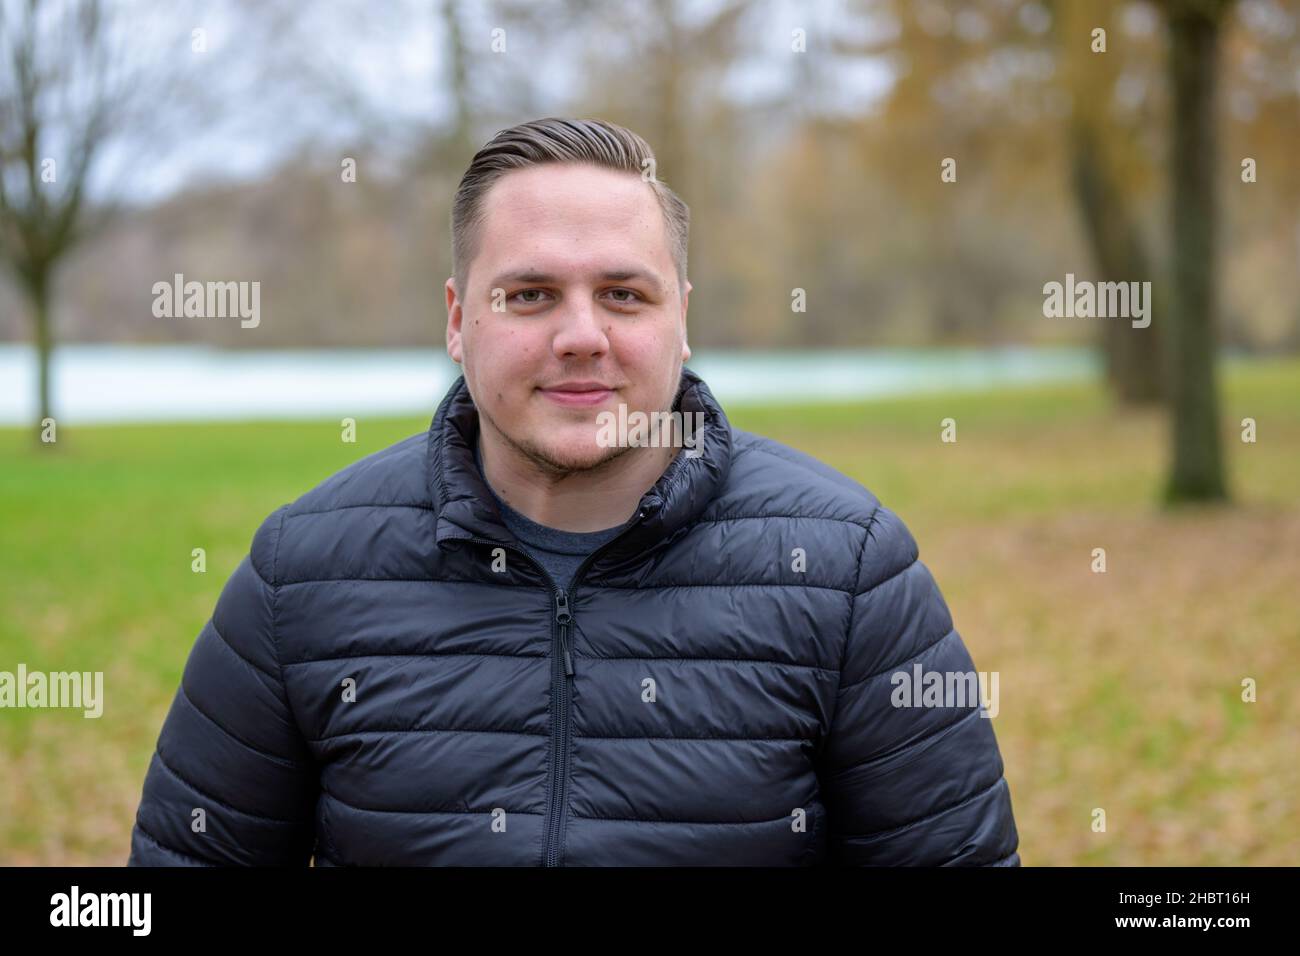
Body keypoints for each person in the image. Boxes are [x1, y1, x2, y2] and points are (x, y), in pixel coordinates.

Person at [127, 117, 1020, 866]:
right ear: (455, 319)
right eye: (531, 295)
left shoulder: (852, 572)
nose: (582, 336)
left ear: (683, 320)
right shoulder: (301, 576)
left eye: (625, 295)